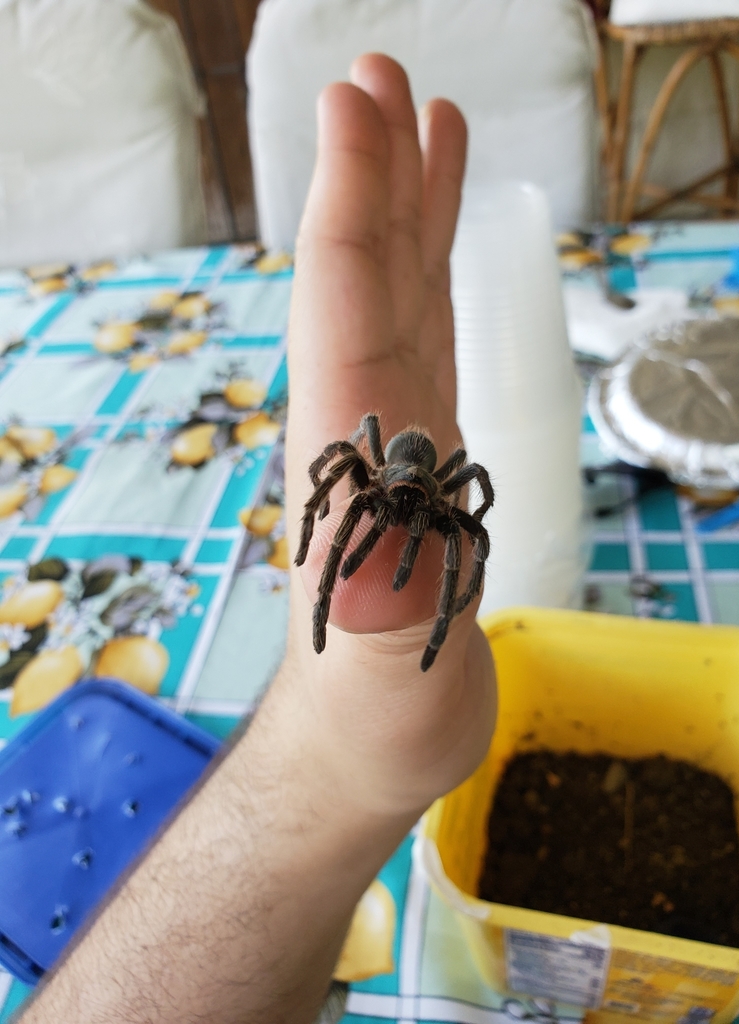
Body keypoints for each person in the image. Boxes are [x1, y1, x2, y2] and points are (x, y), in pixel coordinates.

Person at [20, 53, 497, 1024]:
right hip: (390, 468)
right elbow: (336, 470)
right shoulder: (368, 470)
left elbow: (471, 501)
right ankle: (324, 637)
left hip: (417, 475)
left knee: (430, 541)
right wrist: (323, 545)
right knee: (352, 497)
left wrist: (461, 549)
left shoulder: (439, 497)